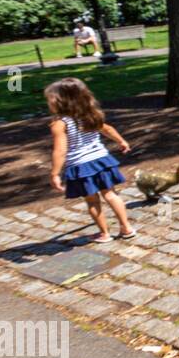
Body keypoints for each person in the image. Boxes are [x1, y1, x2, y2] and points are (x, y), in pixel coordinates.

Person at [44, 77, 135, 244]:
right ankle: (126, 227)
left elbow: (60, 150)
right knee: (111, 195)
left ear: (60, 101)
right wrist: (121, 141)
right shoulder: (90, 115)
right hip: (101, 160)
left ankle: (104, 234)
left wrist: (55, 173)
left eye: (49, 99)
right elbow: (107, 129)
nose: (48, 103)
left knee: (92, 201)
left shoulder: (59, 123)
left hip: (81, 167)